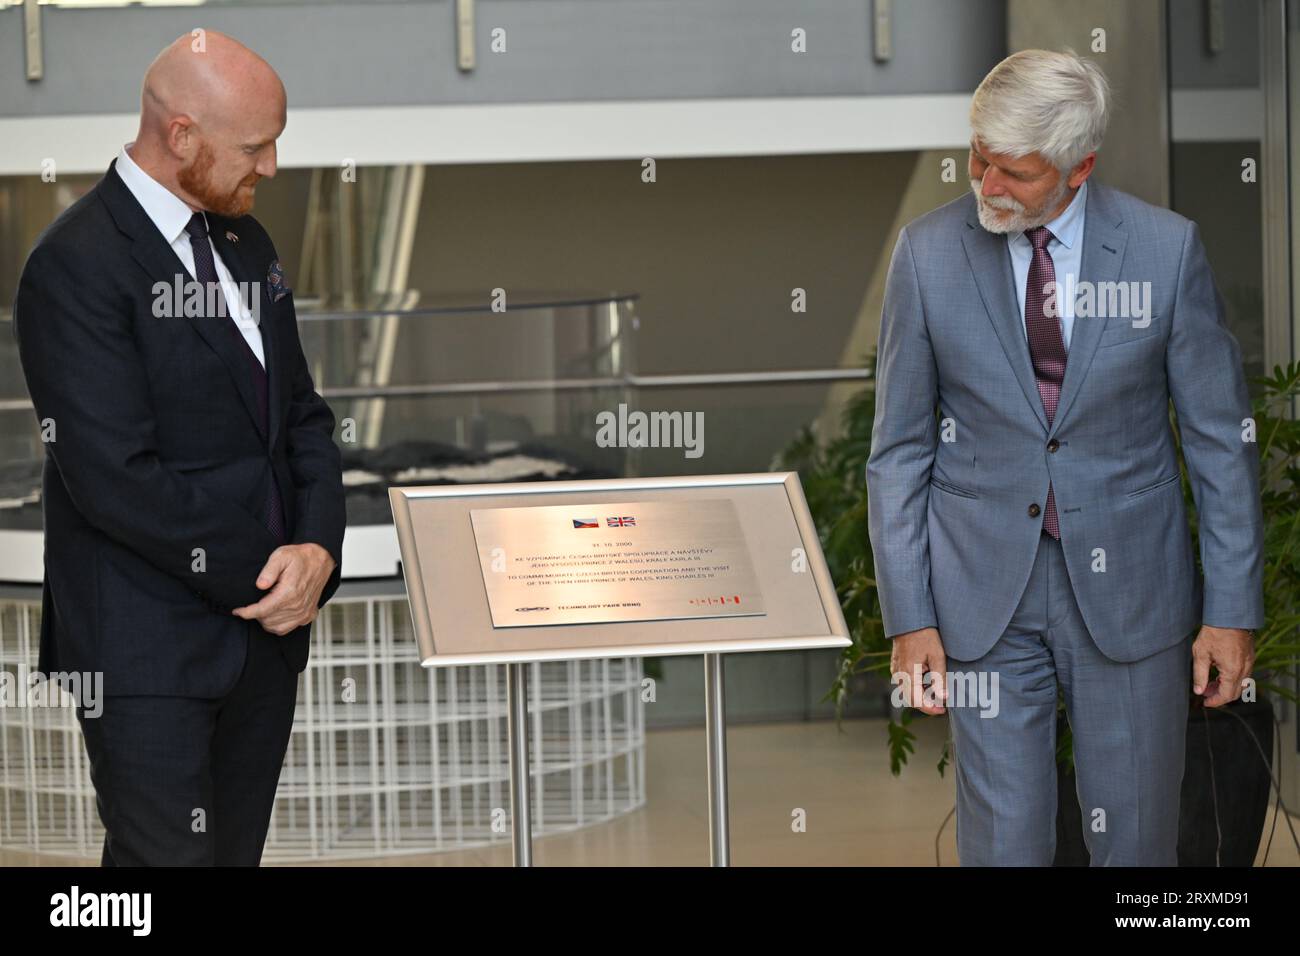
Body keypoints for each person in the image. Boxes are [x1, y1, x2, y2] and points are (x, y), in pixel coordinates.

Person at [866, 49, 1263, 866]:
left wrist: (1230, 613)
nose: (988, 185)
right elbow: (899, 451)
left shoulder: (1165, 252)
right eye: (979, 158)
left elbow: (1221, 445)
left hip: (1132, 593)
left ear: (1079, 167)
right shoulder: (926, 255)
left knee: (1137, 843)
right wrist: (910, 618)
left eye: (1015, 171)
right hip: (984, 597)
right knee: (1003, 845)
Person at [12, 30, 346, 866]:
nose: (272, 166)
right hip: (144, 652)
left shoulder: (247, 243)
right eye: (254, 146)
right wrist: (273, 571)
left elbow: (302, 418)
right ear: (183, 135)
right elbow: (115, 478)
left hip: (263, 639)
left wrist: (317, 551)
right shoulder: (73, 264)